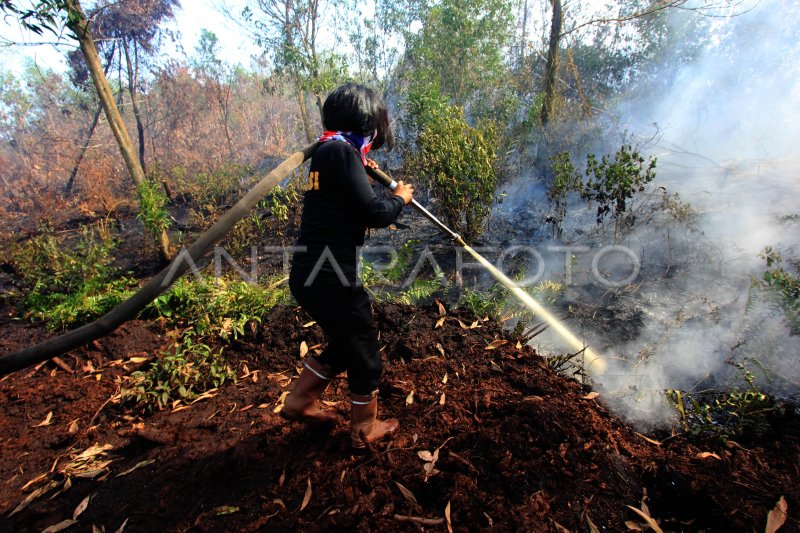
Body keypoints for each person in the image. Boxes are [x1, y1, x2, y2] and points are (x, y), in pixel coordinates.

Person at [280, 83, 414, 449]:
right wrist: (399, 198)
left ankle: (299, 402)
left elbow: (345, 201)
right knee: (365, 348)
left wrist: (362, 173)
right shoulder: (340, 152)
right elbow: (373, 213)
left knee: (346, 341)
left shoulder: (331, 152)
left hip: (311, 274)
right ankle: (364, 430)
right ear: (367, 122)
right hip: (331, 277)